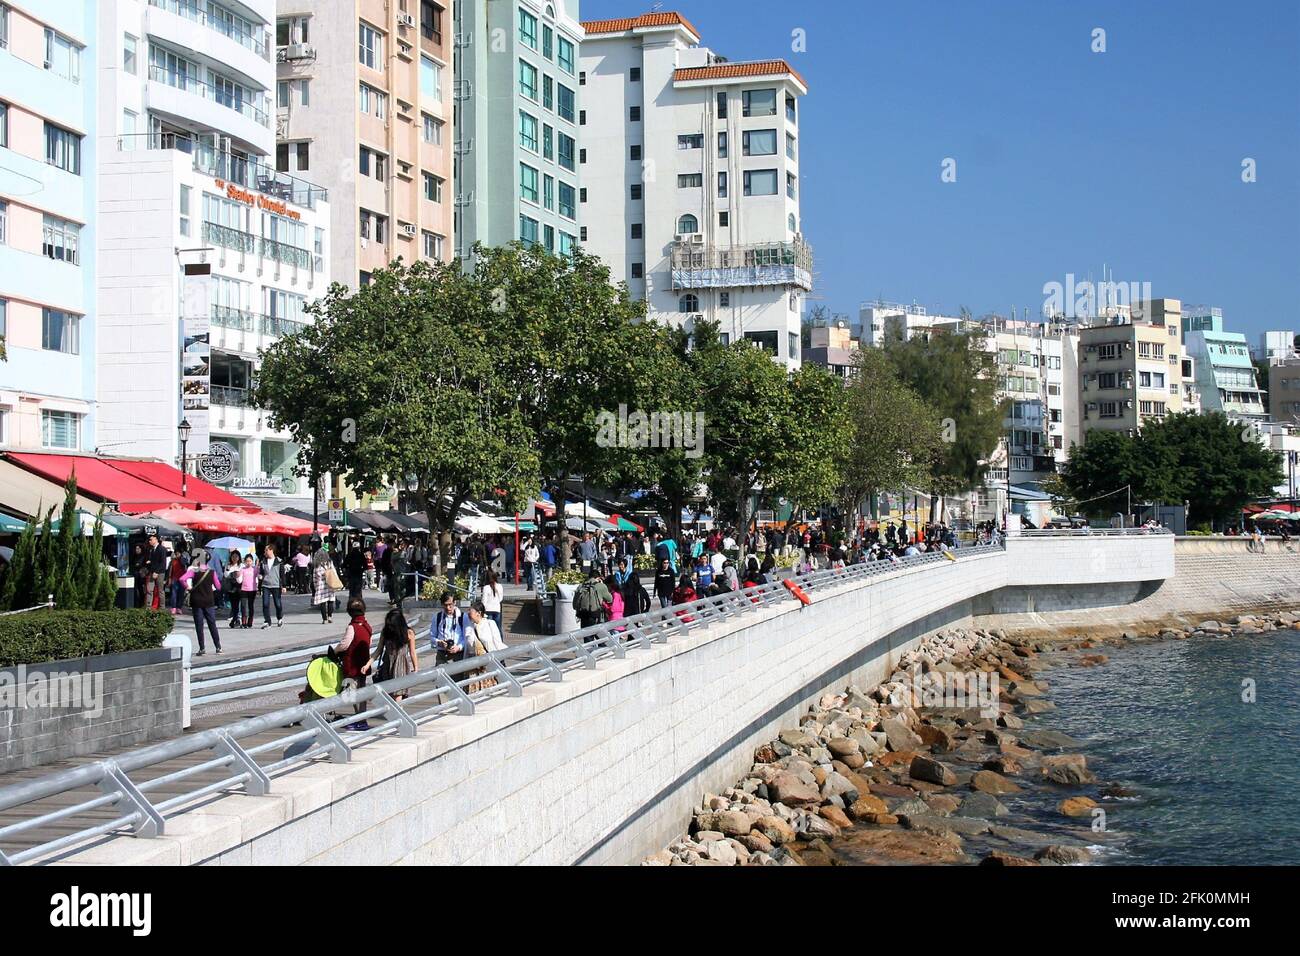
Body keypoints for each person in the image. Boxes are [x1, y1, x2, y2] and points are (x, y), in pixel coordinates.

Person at [331, 597, 373, 731]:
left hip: (352, 664)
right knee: (362, 692)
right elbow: (369, 643)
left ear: (350, 612)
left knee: (351, 693)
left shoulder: (352, 627)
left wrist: (334, 650)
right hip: (363, 663)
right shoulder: (367, 626)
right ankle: (362, 718)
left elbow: (345, 645)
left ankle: (359, 719)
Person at [363, 608, 419, 699]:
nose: (390, 627)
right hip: (387, 666)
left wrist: (416, 667)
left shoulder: (409, 633)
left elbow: (412, 651)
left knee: (398, 695)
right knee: (388, 696)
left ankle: (398, 712)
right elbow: (378, 650)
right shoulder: (386, 632)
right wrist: (367, 664)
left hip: (401, 667)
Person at [181, 551, 221, 656]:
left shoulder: (194, 571)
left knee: (199, 625)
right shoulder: (212, 572)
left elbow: (182, 579)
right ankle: (218, 647)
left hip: (196, 601)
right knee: (212, 624)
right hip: (209, 601)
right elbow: (218, 586)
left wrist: (188, 587)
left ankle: (202, 648)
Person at [429, 591, 469, 664]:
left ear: (454, 603)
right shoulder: (437, 617)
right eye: (445, 605)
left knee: (458, 675)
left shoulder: (463, 617)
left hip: (458, 655)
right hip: (442, 655)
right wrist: (439, 642)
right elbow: (432, 637)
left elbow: (467, 637)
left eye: (450, 604)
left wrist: (459, 647)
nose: (448, 608)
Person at [573, 569, 612, 635]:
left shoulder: (581, 586)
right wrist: (602, 585)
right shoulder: (601, 586)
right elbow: (610, 599)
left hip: (583, 614)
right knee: (600, 637)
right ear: (598, 578)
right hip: (596, 615)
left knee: (587, 637)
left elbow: (574, 605)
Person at [311, 543, 337, 624]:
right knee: (330, 601)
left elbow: (314, 578)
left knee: (322, 603)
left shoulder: (316, 566)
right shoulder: (329, 563)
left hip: (320, 586)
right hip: (330, 584)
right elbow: (334, 572)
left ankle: (324, 619)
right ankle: (330, 616)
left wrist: (315, 587)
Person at [259, 544, 284, 628]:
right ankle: (267, 621)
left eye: (266, 550)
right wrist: (260, 576)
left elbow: (282, 574)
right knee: (265, 604)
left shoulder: (279, 561)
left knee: (278, 604)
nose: (265, 552)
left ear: (271, 550)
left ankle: (279, 618)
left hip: (276, 585)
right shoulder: (263, 561)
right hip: (265, 585)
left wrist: (283, 586)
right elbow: (261, 572)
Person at [144, 534, 168, 611]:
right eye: (149, 540)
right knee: (149, 589)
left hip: (160, 573)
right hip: (152, 571)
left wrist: (157, 572)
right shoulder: (152, 549)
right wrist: (150, 561)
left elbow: (163, 562)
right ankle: (148, 606)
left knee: (160, 590)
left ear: (156, 539)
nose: (150, 541)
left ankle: (162, 607)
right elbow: (155, 560)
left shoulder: (162, 549)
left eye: (151, 539)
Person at [224, 551, 244, 628]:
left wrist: (237, 575)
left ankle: (237, 619)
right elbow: (225, 575)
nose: (234, 558)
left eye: (236, 556)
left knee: (238, 603)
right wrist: (229, 570)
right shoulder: (228, 565)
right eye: (233, 556)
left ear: (239, 557)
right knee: (233, 604)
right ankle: (235, 619)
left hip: (239, 586)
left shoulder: (241, 565)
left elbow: (241, 578)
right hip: (230, 586)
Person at [238, 553, 258, 628]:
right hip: (244, 590)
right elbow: (239, 580)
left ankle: (250, 621)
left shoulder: (255, 569)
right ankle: (243, 621)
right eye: (247, 561)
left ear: (252, 561)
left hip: (252, 590)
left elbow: (258, 577)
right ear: (245, 562)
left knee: (251, 606)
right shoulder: (242, 569)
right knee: (243, 606)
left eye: (250, 561)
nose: (248, 562)